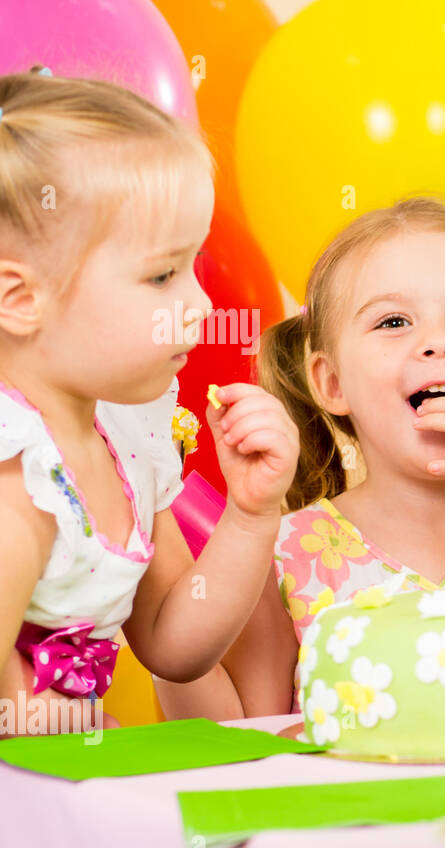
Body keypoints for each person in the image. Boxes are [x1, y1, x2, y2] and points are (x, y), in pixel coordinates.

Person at [165, 198, 445, 719]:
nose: (437, 343)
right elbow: (240, 737)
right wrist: (157, 590)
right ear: (332, 384)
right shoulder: (284, 557)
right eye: (393, 321)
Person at [0, 71, 298, 735]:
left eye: (194, 265)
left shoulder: (125, 436)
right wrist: (47, 716)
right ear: (21, 300)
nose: (200, 304)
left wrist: (251, 517)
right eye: (164, 274)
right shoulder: (17, 474)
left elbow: (172, 640)